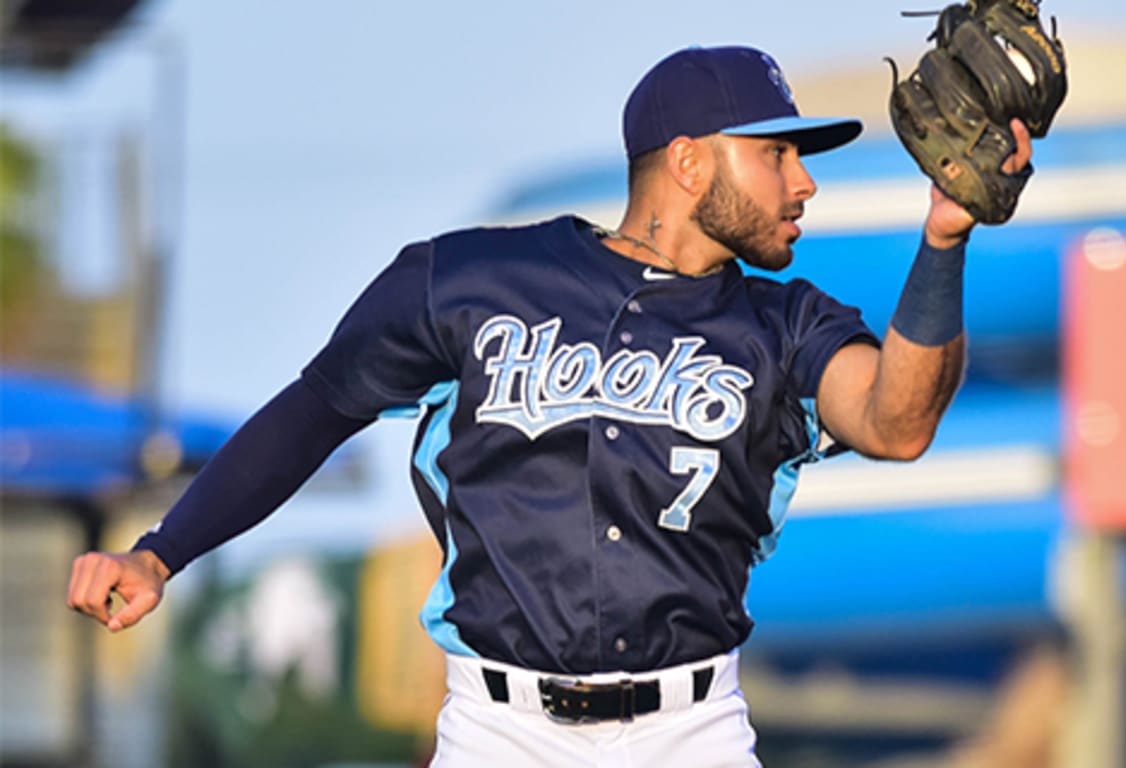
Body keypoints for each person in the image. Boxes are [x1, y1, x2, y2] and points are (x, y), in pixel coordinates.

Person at [67, 45, 1033, 767]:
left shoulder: (784, 326)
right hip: (501, 732)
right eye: (776, 153)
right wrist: (161, 552)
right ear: (689, 162)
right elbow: (316, 409)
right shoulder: (470, 283)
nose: (803, 180)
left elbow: (897, 422)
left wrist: (944, 238)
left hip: (690, 732)